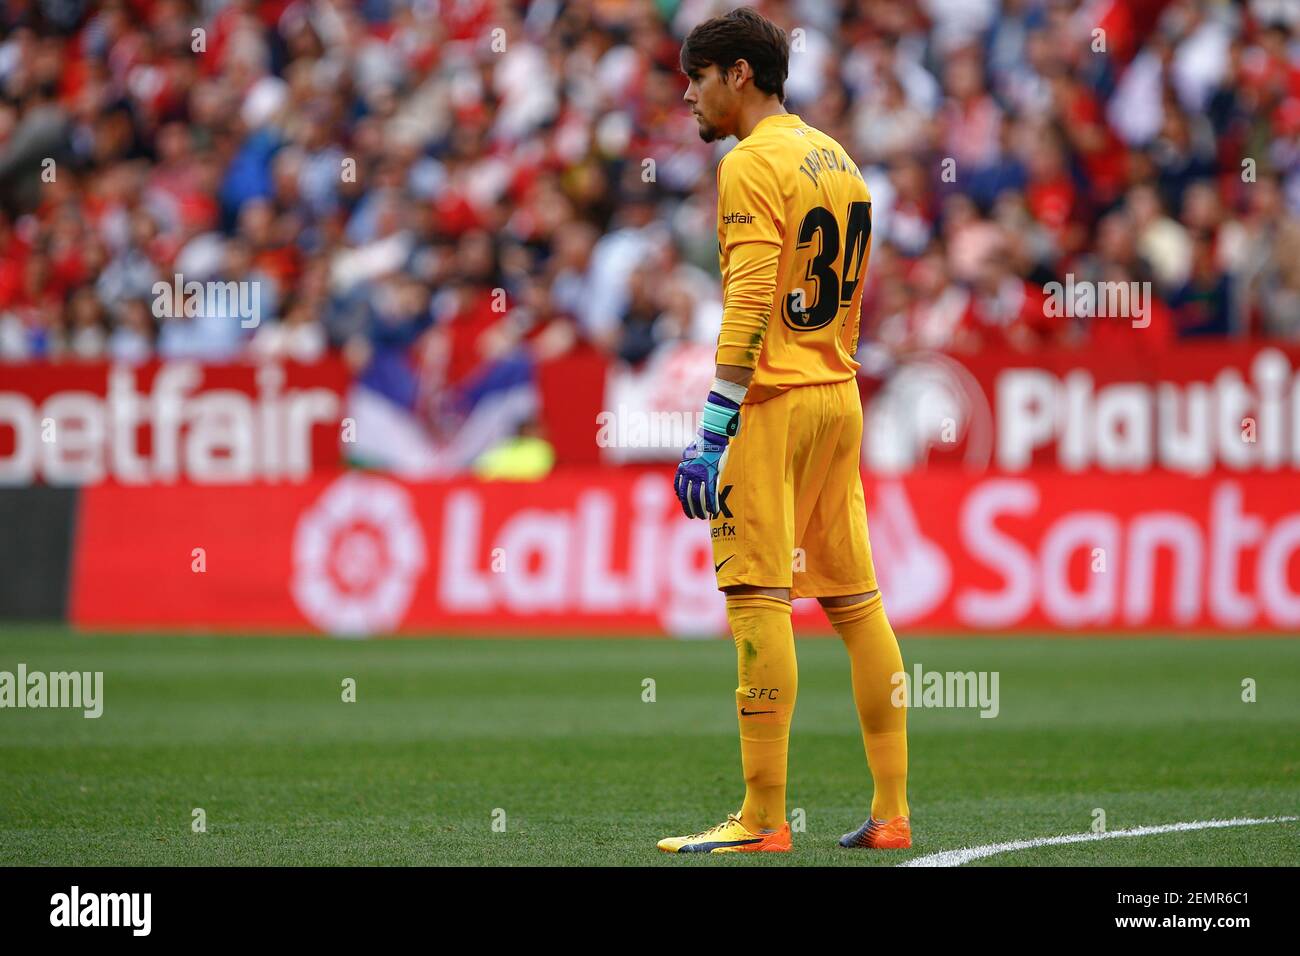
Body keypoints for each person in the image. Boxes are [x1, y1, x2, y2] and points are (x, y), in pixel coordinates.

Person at [662, 7, 909, 854]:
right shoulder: (840, 160)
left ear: (739, 74)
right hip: (838, 395)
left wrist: (711, 430)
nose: (687, 96)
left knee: (758, 600)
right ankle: (891, 811)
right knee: (855, 602)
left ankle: (764, 819)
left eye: (696, 78)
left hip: (771, 404)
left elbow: (749, 299)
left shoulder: (747, 166)